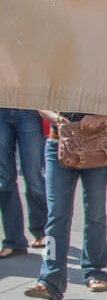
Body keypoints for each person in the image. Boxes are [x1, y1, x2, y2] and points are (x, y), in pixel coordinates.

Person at [24, 112, 107, 300]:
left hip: (95, 142)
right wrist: (53, 117)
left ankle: (94, 270)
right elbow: (37, 96)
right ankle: (49, 279)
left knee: (95, 214)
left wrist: (100, 118)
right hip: (58, 143)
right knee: (56, 216)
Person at [0, 108, 48, 259]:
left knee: (33, 177)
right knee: (4, 180)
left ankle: (42, 231)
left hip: (30, 110)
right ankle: (14, 241)